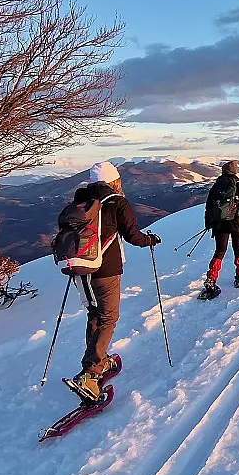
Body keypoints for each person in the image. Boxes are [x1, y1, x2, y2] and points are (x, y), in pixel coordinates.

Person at [64, 161, 160, 402]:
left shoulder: (80, 202)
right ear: (114, 180)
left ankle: (96, 362)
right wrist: (149, 240)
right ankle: (91, 374)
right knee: (109, 317)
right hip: (106, 269)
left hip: (81, 268)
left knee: (95, 315)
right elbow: (133, 236)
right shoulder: (117, 201)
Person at [203, 160, 239, 296]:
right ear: (234, 171)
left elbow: (209, 206)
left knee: (219, 250)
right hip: (237, 222)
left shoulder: (216, 185)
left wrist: (209, 223)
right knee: (238, 249)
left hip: (219, 223)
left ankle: (211, 279)